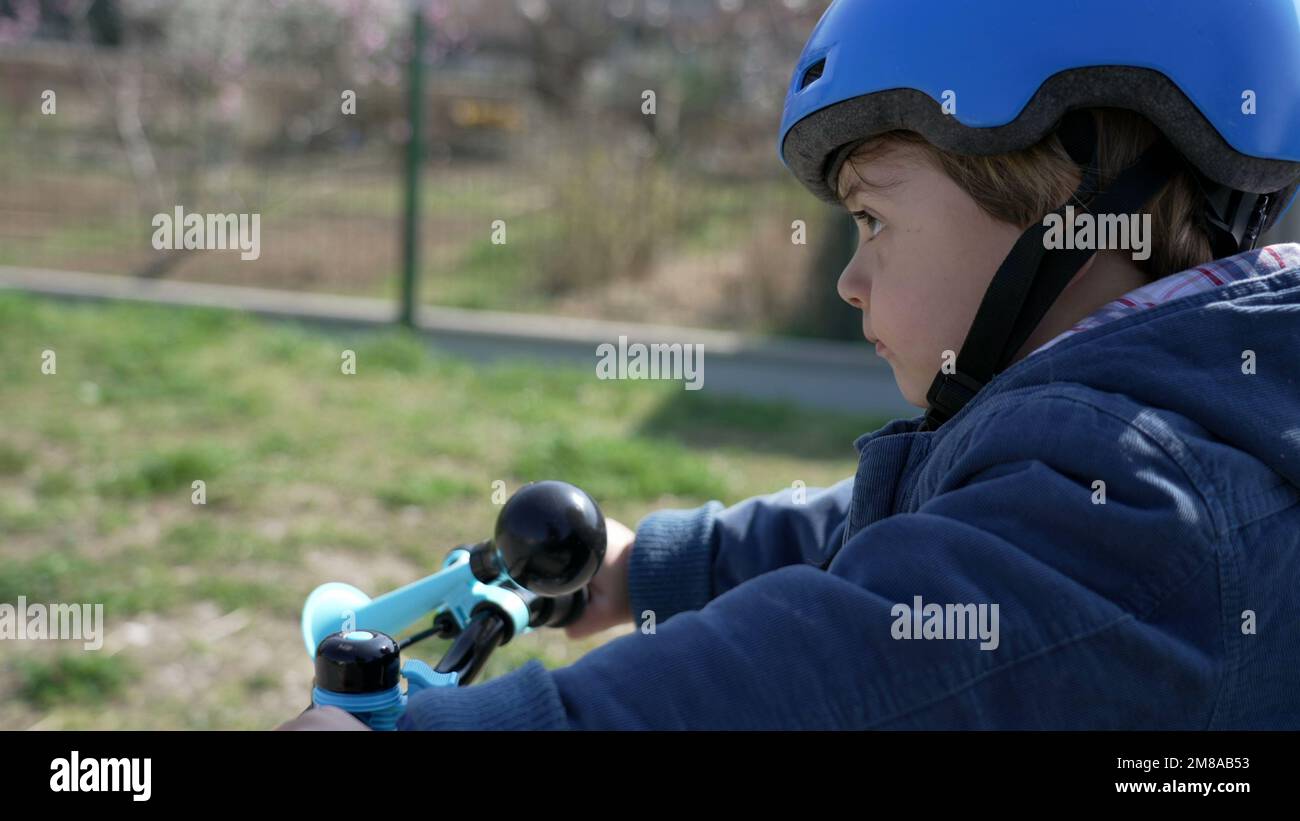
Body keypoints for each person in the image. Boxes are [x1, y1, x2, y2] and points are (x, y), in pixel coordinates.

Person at [284, 0, 1300, 730]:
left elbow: (816, 673)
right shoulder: (1184, 425)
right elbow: (912, 538)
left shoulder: (1144, 511)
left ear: (1065, 197)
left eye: (871, 218)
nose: (849, 280)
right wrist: (659, 567)